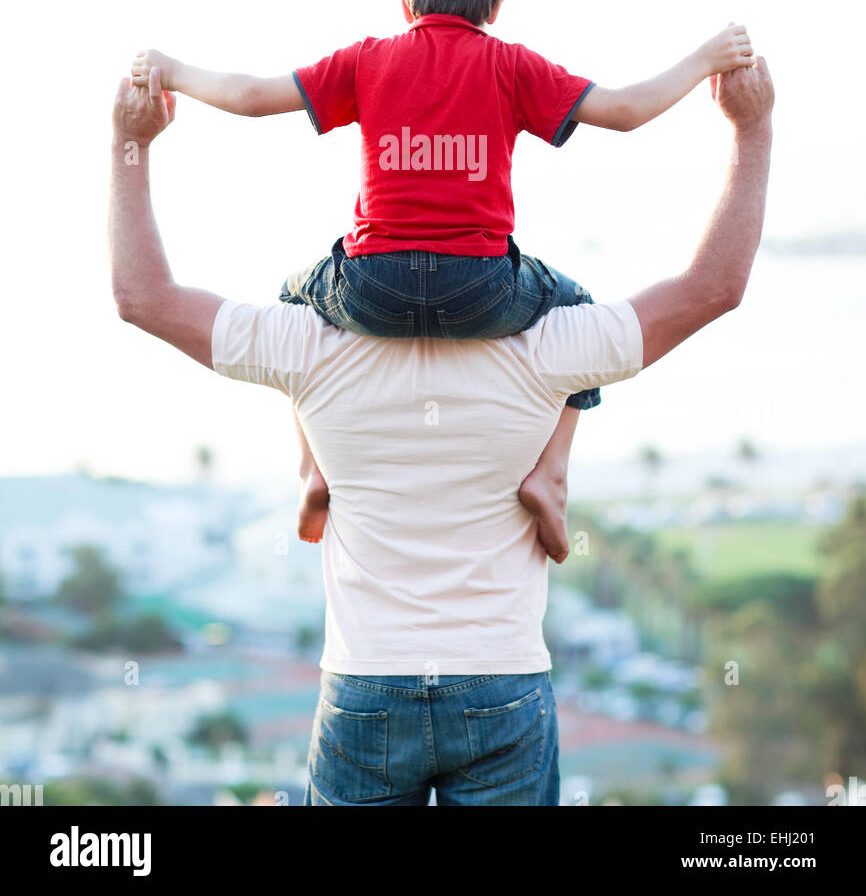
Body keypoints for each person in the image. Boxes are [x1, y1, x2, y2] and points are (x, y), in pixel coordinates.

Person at [109, 52, 774, 806]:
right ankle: (548, 473)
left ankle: (312, 470)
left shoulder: (306, 341)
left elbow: (144, 297)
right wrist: (751, 129)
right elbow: (713, 286)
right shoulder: (550, 343)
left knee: (288, 306)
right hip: (502, 681)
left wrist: (130, 145)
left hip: (365, 686)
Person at [129, 0, 754, 561]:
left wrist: (174, 71)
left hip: (372, 288)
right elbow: (626, 111)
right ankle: (552, 472)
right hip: (481, 291)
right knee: (577, 302)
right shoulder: (511, 64)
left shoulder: (368, 59)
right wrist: (708, 58)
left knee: (293, 294)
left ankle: (313, 467)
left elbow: (253, 96)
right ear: (498, 3)